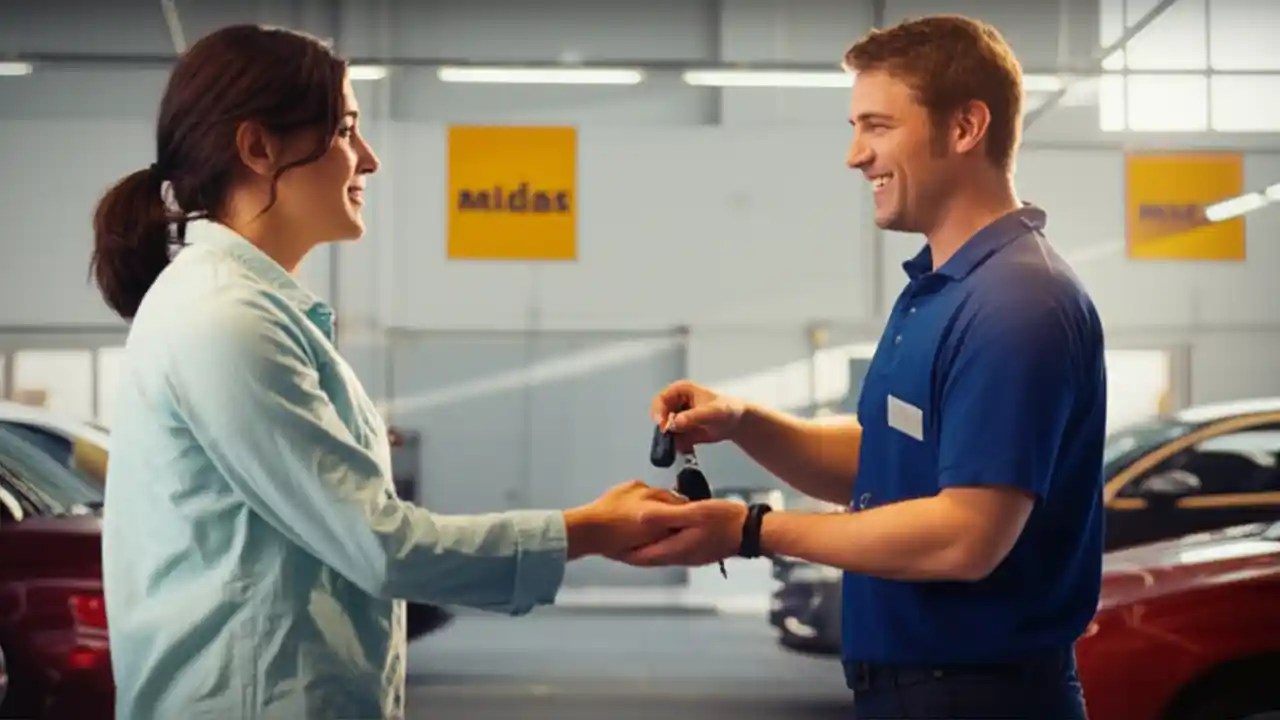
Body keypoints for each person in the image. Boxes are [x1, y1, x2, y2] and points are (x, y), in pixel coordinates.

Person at [90, 24, 682, 720]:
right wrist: (590, 529)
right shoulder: (225, 319)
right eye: (345, 130)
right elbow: (379, 545)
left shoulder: (244, 308)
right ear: (257, 147)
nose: (367, 160)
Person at [634, 15, 1105, 720]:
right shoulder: (942, 288)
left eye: (877, 126)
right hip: (921, 691)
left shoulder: (1017, 302)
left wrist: (751, 530)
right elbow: (886, 461)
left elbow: (965, 536)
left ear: (965, 127)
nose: (855, 155)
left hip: (980, 697)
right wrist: (744, 424)